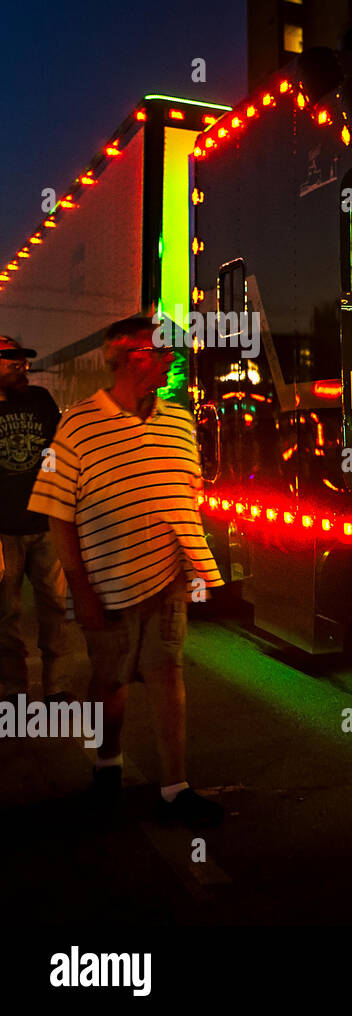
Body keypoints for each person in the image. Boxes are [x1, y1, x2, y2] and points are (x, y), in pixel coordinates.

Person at [28, 316, 225, 828]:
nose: (169, 359)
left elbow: (188, 496)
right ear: (121, 354)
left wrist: (190, 568)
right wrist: (80, 589)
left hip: (167, 580)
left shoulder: (179, 420)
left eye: (172, 352)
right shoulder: (76, 424)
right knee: (110, 682)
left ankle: (174, 787)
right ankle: (107, 766)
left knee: (168, 675)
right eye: (157, 350)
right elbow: (56, 511)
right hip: (106, 582)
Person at [0, 335, 77, 707]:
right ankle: (13, 690)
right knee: (5, 615)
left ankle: (55, 687)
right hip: (2, 534)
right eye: (9, 358)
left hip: (44, 525)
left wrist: (54, 492)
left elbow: (57, 452)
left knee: (55, 609)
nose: (20, 364)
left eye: (22, 359)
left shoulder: (41, 401)